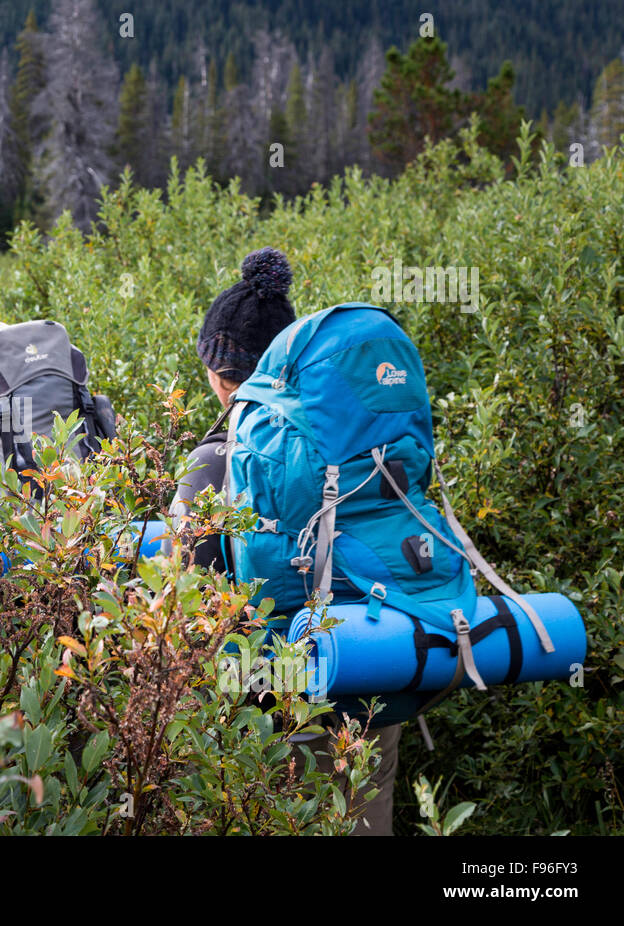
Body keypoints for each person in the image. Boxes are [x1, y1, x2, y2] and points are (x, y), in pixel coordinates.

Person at [168, 247, 402, 836]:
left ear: (222, 378)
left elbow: (183, 598)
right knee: (363, 821)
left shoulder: (211, 463)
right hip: (377, 673)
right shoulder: (356, 440)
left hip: (275, 698)